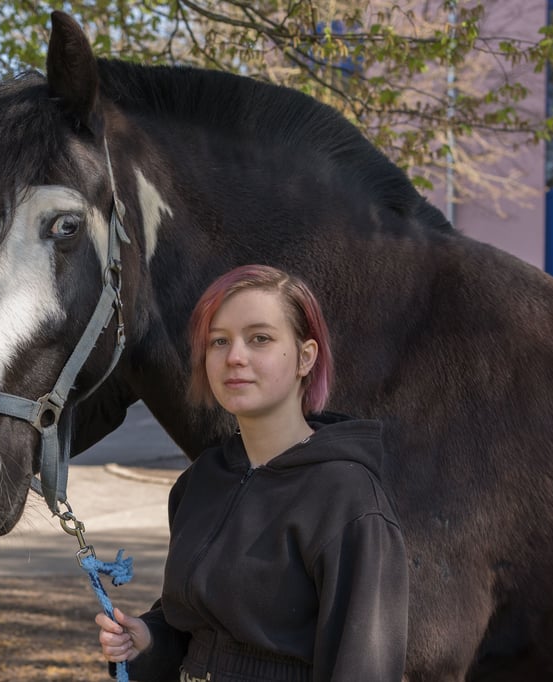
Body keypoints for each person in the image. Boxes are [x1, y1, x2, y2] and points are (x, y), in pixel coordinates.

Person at [95, 264, 408, 681]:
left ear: (305, 357)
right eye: (218, 341)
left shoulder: (348, 498)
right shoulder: (203, 480)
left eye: (259, 338)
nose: (234, 356)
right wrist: (148, 641)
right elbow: (196, 626)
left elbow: (362, 668)